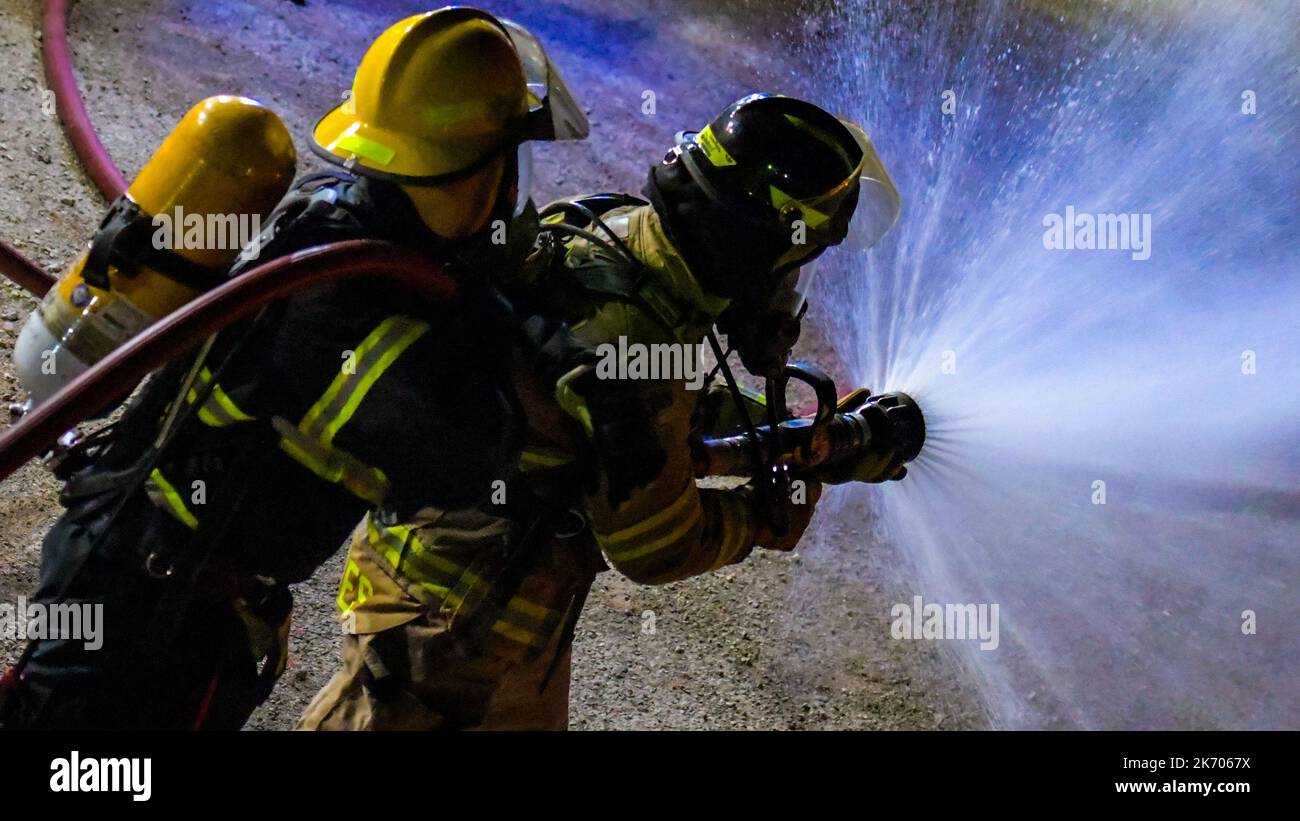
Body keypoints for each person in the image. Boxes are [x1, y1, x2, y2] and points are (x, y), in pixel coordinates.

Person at [0, 6, 591, 730]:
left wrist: (490, 301)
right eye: (509, 163)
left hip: (147, 559)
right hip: (155, 607)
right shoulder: (362, 313)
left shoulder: (340, 211)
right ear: (469, 174)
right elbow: (471, 459)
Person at [299, 93, 903, 730]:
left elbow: (653, 406)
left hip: (503, 613)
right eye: (796, 262)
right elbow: (657, 544)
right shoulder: (642, 332)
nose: (790, 291)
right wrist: (762, 515)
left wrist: (790, 429)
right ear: (755, 245)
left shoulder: (622, 236)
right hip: (447, 626)